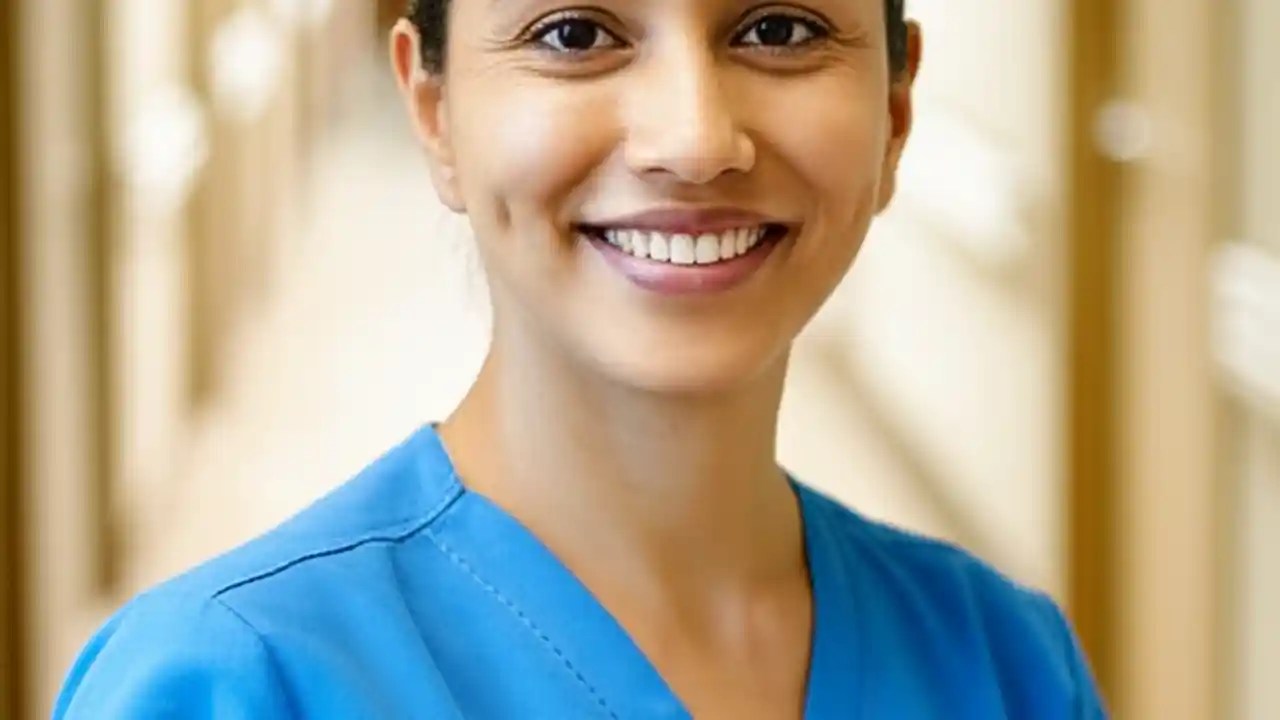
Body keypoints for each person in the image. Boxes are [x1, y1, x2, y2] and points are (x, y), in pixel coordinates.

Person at [54, 0, 1106, 717]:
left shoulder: (1002, 664)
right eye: (573, 32)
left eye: (775, 29)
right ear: (434, 110)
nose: (692, 140)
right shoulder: (230, 683)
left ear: (891, 110)